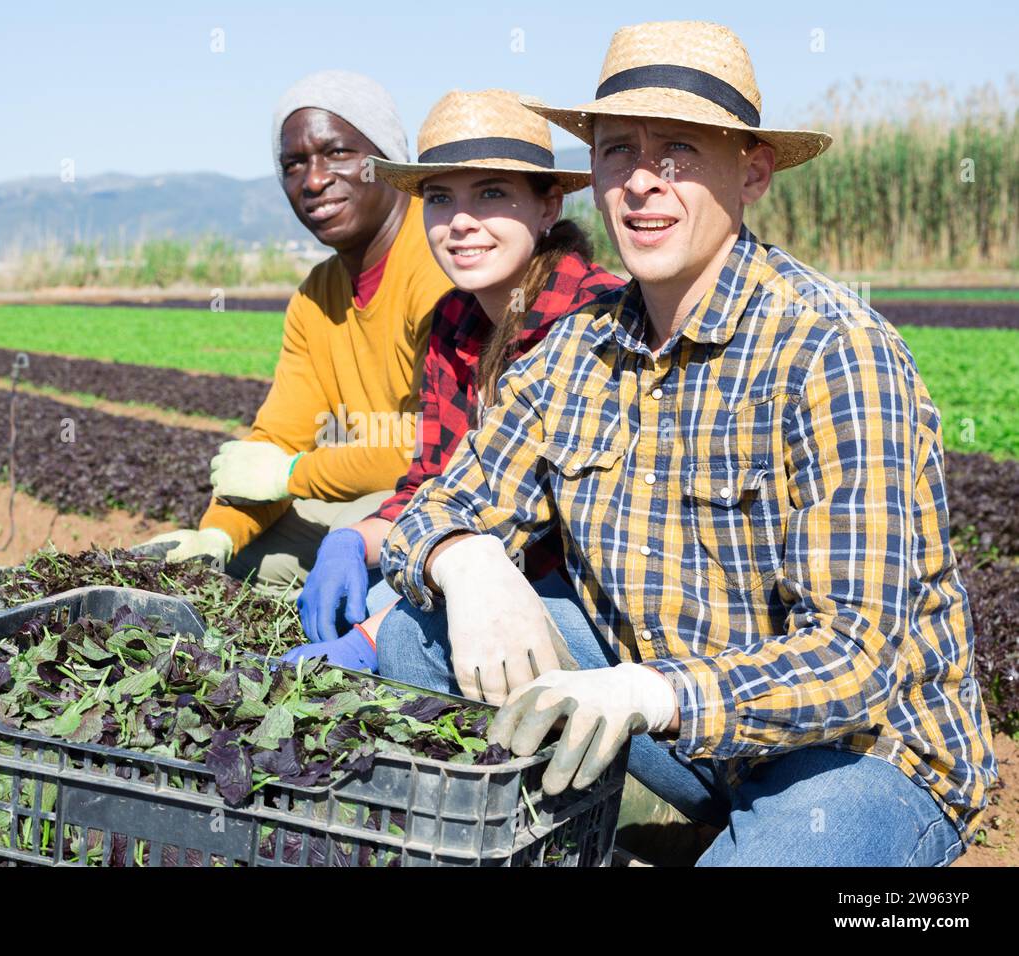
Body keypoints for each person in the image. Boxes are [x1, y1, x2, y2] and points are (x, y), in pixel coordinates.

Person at [378, 20, 997, 866]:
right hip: (688, 739)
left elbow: (855, 659)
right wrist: (465, 559)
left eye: (676, 152)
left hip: (858, 757)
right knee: (426, 629)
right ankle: (542, 844)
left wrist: (646, 689)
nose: (640, 182)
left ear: (751, 172)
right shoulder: (574, 352)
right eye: (616, 151)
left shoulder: (832, 351)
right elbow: (440, 508)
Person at [280, 88, 622, 673]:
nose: (461, 223)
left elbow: (534, 536)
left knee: (402, 638)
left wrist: (373, 634)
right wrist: (355, 542)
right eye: (441, 199)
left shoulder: (592, 319)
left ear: (548, 207)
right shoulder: (455, 321)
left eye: (491, 194)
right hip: (471, 560)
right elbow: (433, 485)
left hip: (591, 605)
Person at [142, 70, 453, 592]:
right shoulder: (315, 296)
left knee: (378, 568)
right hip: (362, 495)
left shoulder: (439, 259)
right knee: (233, 565)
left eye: (336, 153)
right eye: (294, 164)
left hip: (440, 500)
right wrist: (216, 535)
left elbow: (433, 446)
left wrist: (291, 476)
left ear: (388, 160)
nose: (313, 180)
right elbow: (280, 438)